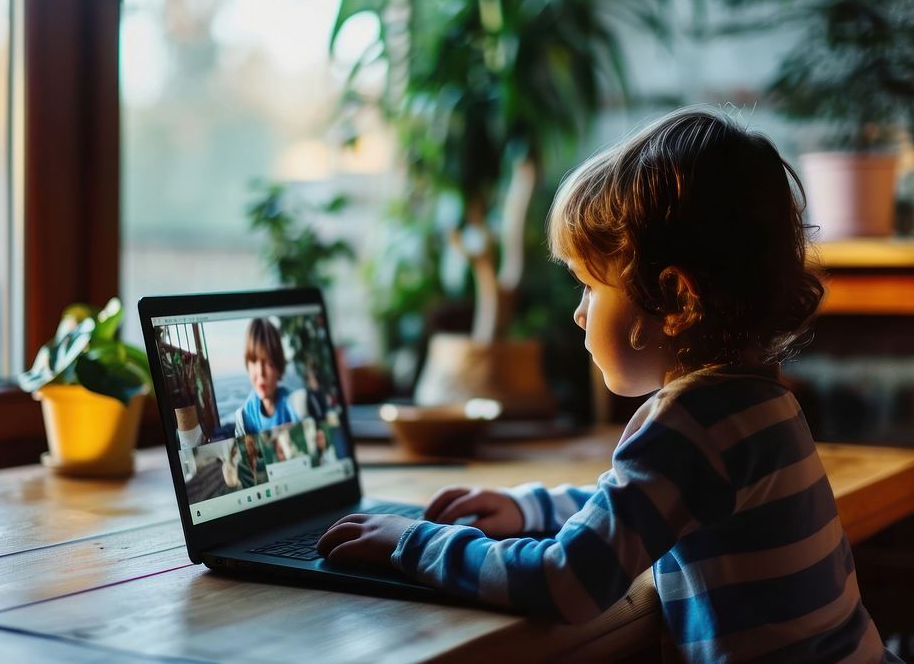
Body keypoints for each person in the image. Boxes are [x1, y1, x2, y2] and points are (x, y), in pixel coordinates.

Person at [317, 108, 898, 662]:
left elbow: (569, 582)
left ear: (674, 298)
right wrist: (527, 508)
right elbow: (646, 505)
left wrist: (412, 542)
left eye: (590, 287)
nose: (578, 314)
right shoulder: (762, 401)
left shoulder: (691, 422)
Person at [235, 317, 300, 436]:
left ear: (278, 366)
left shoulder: (293, 407)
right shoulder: (245, 416)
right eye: (254, 361)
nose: (260, 373)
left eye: (267, 362)